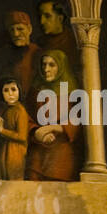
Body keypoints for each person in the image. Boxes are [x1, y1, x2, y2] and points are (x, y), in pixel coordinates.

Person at [26, 48, 82, 182]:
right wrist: (36, 131)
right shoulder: (35, 91)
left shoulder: (73, 92)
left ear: (61, 67)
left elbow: (79, 120)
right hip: (38, 154)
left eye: (52, 65)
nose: (46, 69)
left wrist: (53, 128)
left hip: (61, 155)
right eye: (44, 64)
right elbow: (26, 117)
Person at [0, 10, 41, 116]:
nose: (16, 34)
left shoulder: (38, 53)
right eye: (12, 30)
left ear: (29, 29)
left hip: (35, 111)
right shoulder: (0, 55)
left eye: (20, 29)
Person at [0, 77, 31, 180]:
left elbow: (22, 136)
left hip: (16, 153)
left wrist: (2, 130)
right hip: (5, 151)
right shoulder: (7, 110)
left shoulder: (20, 111)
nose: (10, 93)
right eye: (6, 90)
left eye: (13, 89)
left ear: (19, 91)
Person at [36, 0, 81, 80]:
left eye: (47, 16)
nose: (42, 21)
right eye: (40, 17)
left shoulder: (73, 41)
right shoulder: (40, 43)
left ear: (60, 18)